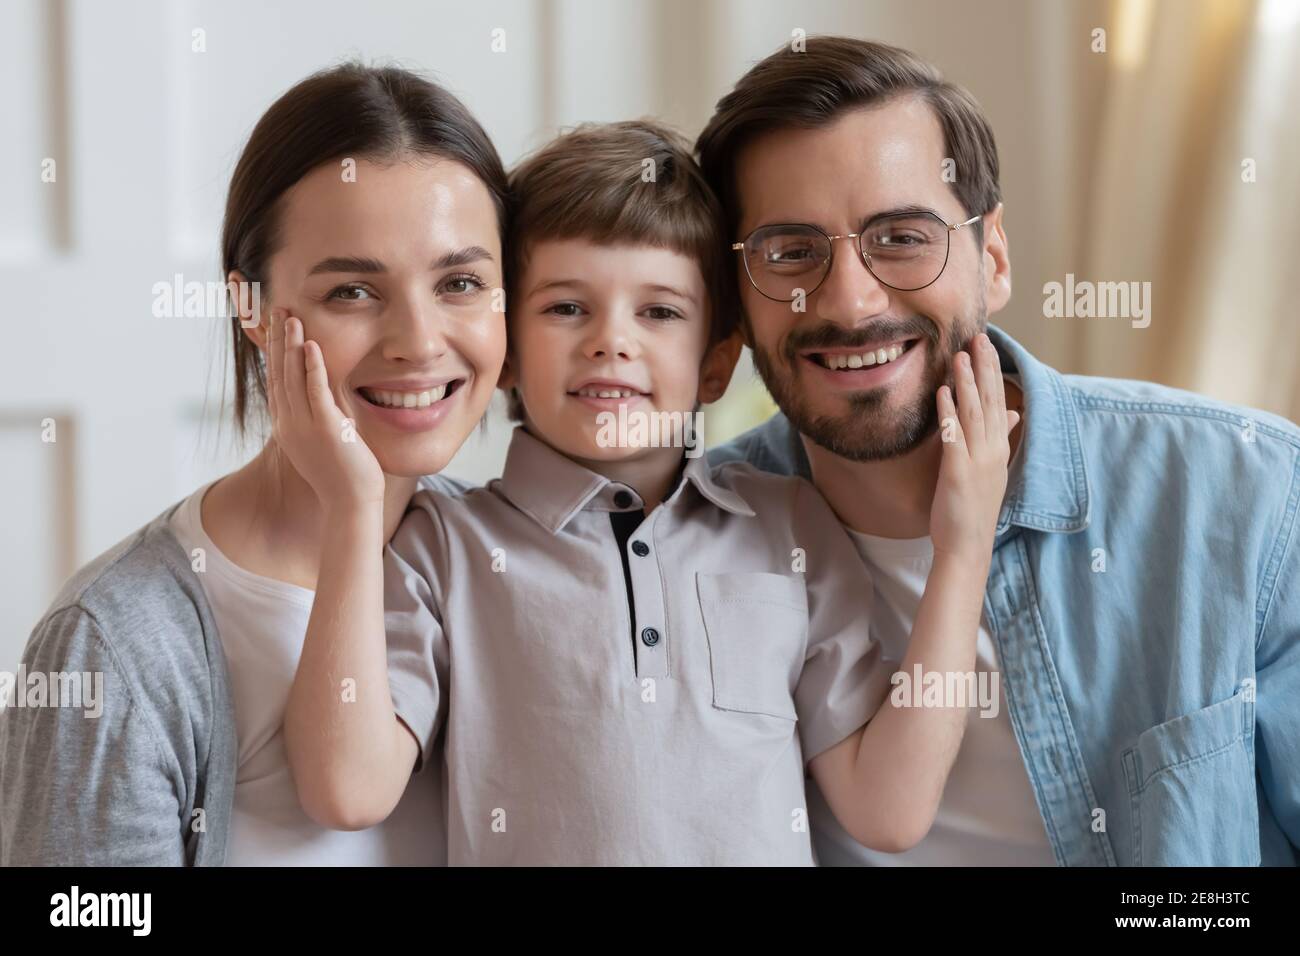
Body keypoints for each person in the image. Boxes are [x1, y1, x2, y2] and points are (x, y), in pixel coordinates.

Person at [274, 120, 1016, 865]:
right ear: (505, 352)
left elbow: (889, 810)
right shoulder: (443, 546)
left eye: (658, 312)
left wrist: (963, 546)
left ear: (716, 365)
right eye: (567, 308)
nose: (612, 341)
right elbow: (348, 790)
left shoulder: (788, 526)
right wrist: (350, 508)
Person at [700, 36, 1300, 866]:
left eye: (902, 237)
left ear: (994, 255)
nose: (849, 300)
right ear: (736, 296)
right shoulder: (688, 541)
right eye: (791, 252)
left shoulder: (1248, 492)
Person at [0, 63, 509, 865]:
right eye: (351, 291)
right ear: (253, 311)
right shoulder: (115, 644)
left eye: (461, 282)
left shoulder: (504, 563)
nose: (417, 339)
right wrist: (353, 506)